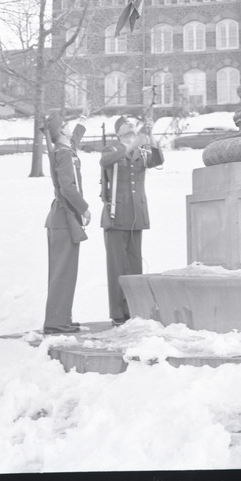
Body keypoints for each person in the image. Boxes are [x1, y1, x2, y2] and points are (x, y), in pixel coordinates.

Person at [100, 115, 164, 325]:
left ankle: (134, 309)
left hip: (136, 214)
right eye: (125, 124)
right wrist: (132, 145)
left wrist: (150, 136)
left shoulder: (141, 150)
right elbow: (106, 161)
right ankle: (118, 313)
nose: (130, 125)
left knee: (134, 265)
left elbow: (158, 160)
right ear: (118, 132)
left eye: (131, 123)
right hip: (117, 214)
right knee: (117, 267)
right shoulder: (112, 149)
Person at [43, 113, 91, 334]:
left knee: (65, 272)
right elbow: (68, 188)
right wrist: (84, 208)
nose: (70, 127)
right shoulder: (63, 154)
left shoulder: (64, 150)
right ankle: (56, 322)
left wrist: (83, 119)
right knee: (62, 272)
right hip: (64, 218)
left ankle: (61, 317)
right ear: (62, 131)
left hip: (63, 218)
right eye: (67, 125)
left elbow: (74, 141)